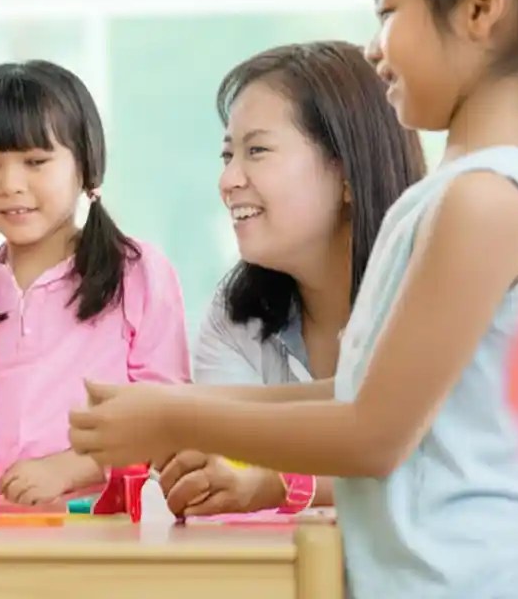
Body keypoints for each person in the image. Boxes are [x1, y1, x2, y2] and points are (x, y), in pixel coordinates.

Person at [68, 0, 518, 594]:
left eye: (389, 12)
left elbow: (373, 434)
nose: (375, 49)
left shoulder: (486, 201)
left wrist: (176, 415)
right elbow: (352, 394)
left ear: (478, 7)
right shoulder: (451, 197)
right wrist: (171, 411)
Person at [162, 41, 425, 518]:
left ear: (347, 172)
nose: (228, 180)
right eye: (227, 155)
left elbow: (432, 464)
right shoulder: (235, 315)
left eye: (257, 151)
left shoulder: (434, 285)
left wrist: (283, 482)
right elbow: (226, 456)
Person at [0, 60, 189, 507]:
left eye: (36, 162)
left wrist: (72, 467)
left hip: (98, 527)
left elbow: (168, 414)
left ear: (86, 165)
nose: (10, 184)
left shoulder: (137, 272)